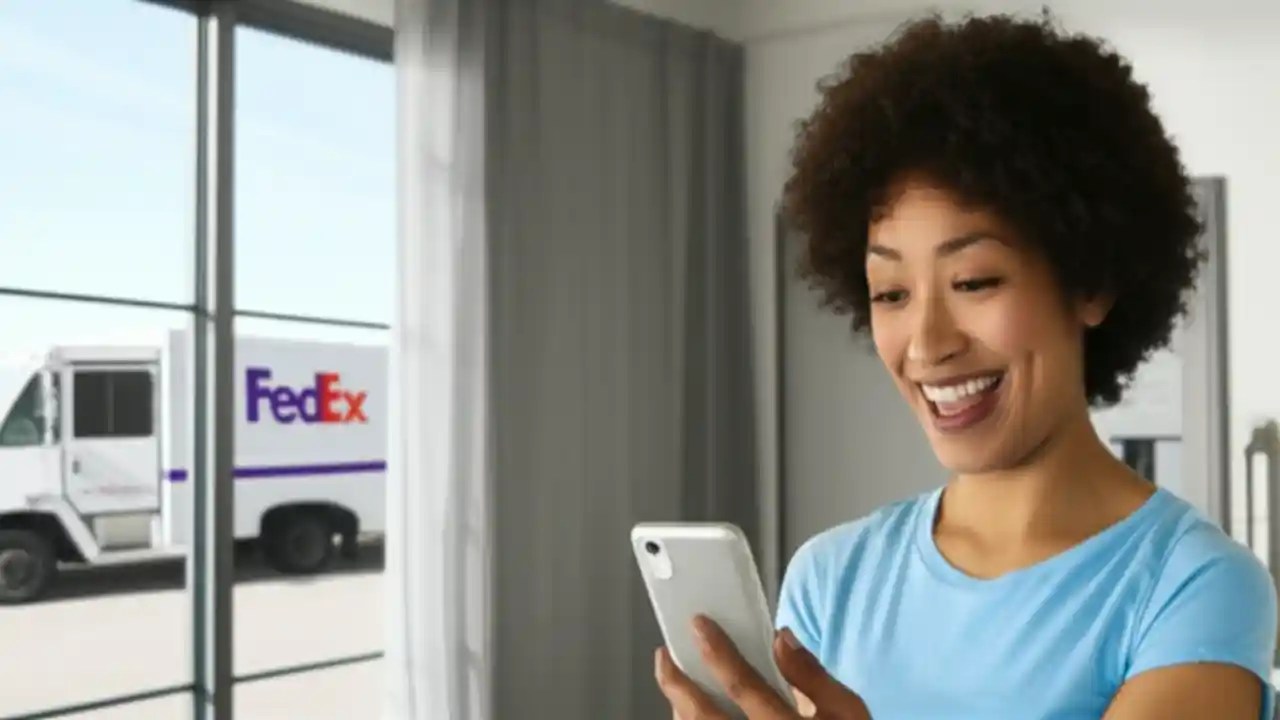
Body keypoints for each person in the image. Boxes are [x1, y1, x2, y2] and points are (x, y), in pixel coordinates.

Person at [655, 11, 1278, 720]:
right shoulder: (831, 578)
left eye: (975, 281)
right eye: (891, 293)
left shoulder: (1192, 586)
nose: (925, 344)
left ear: (1092, 281)